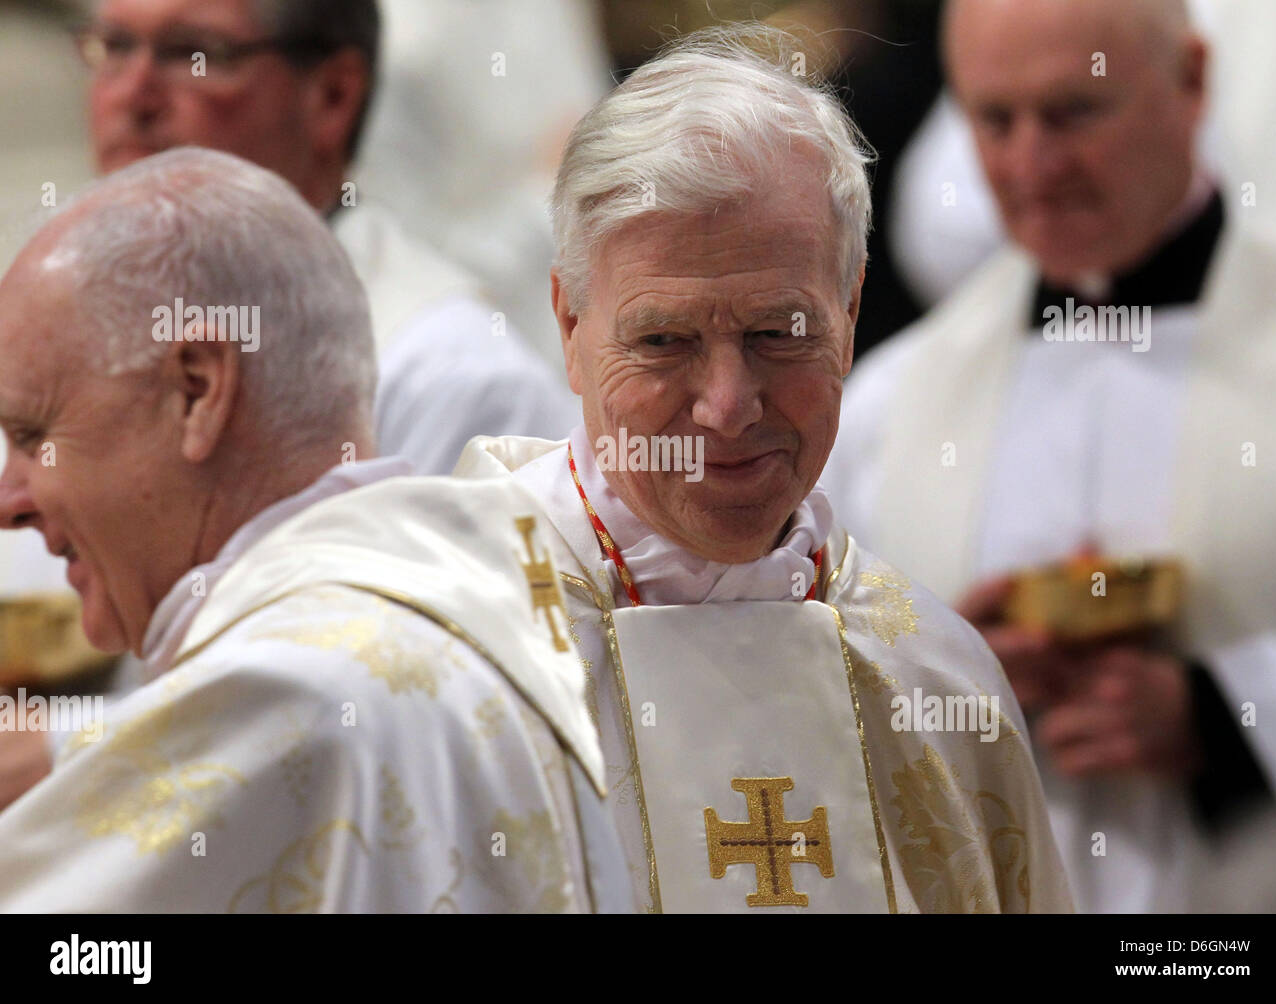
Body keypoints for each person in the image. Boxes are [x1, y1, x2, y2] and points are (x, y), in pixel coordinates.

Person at [451, 25, 1073, 913]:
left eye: (778, 334)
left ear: (850, 314)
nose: (728, 406)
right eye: (664, 341)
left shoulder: (932, 680)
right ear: (569, 324)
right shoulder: (453, 648)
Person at [0, 148, 625, 913]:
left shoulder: (280, 691)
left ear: (196, 391)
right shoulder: (480, 603)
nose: (11, 501)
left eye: (34, 436)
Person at [824, 0, 1276, 912]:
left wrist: (1225, 720)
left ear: (1192, 80)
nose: (1032, 167)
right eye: (994, 121)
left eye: (1074, 113)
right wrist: (950, 683)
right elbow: (819, 722)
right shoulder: (892, 404)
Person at [80, 0, 576, 475]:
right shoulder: (60, 324)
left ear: (333, 94)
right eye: (116, 46)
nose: (131, 95)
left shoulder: (449, 381)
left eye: (198, 54)